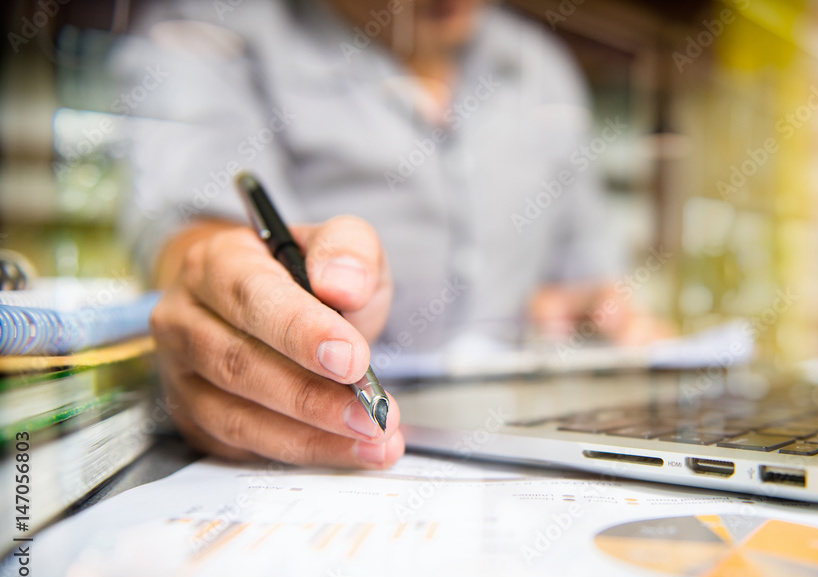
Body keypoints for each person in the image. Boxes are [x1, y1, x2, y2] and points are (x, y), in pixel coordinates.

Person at [113, 0, 645, 469]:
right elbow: (197, 242)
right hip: (314, 448)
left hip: (526, 439)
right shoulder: (208, 29)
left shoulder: (541, 68)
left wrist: (596, 309)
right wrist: (219, 287)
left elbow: (585, 274)